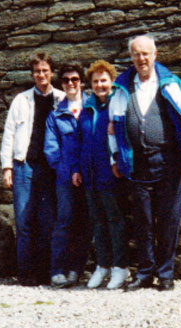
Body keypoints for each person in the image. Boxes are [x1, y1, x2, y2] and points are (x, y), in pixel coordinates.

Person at [109, 35, 181, 291]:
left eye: (145, 54)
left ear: (155, 55)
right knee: (142, 219)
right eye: (136, 54)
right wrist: (114, 158)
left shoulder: (171, 83)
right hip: (136, 160)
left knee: (168, 218)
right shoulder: (121, 87)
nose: (141, 59)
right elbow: (114, 126)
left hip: (169, 160)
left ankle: (165, 274)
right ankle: (144, 273)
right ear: (131, 57)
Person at [0, 52, 65, 286]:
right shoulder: (21, 100)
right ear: (32, 74)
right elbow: (9, 134)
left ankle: (46, 272)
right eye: (37, 71)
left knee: (48, 221)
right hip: (24, 166)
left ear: (52, 72)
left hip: (51, 170)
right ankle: (26, 274)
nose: (41, 75)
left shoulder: (62, 99)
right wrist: (7, 167)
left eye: (45, 70)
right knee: (24, 220)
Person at [77, 60, 130, 290]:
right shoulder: (87, 109)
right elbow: (79, 141)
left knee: (115, 220)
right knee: (98, 222)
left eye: (104, 80)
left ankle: (121, 267)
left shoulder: (117, 105)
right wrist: (77, 169)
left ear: (111, 82)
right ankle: (103, 265)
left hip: (110, 173)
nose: (100, 85)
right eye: (96, 81)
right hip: (90, 174)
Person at [43, 62, 88, 288]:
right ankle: (57, 270)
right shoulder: (55, 114)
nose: (70, 84)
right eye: (66, 80)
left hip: (91, 176)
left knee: (86, 224)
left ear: (81, 81)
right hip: (66, 179)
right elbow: (52, 151)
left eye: (75, 79)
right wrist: (70, 173)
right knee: (64, 221)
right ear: (61, 83)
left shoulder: (93, 107)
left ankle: (76, 270)